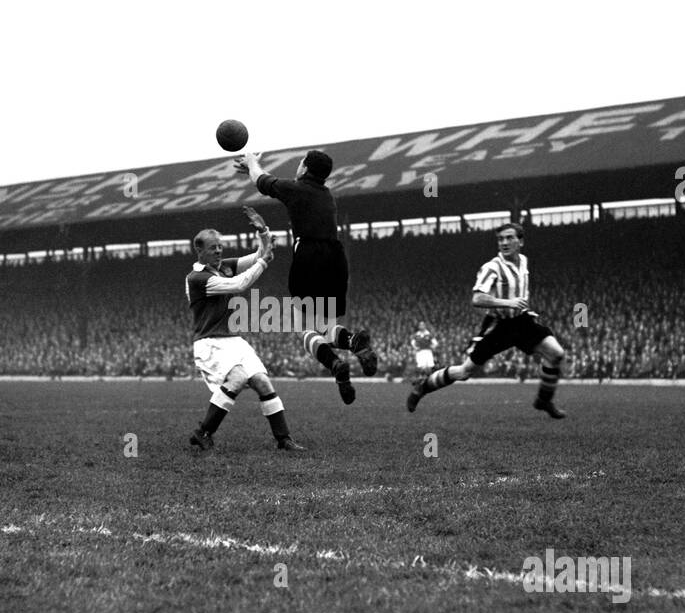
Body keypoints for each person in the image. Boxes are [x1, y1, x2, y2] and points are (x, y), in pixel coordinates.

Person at [235, 149, 376, 404]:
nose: (297, 168)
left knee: (303, 329)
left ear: (305, 168)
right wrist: (254, 170)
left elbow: (262, 182)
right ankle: (354, 342)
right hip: (336, 258)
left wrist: (252, 163)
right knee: (327, 327)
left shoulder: (298, 189)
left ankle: (336, 365)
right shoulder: (327, 195)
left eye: (300, 164)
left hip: (310, 256)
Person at [407, 222, 566, 417]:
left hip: (522, 321)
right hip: (498, 325)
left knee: (556, 354)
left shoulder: (523, 261)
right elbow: (477, 298)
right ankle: (423, 387)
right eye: (500, 239)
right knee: (465, 372)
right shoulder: (492, 268)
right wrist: (508, 302)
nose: (504, 243)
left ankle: (544, 400)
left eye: (509, 238)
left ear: (521, 241)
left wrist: (517, 305)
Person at [185, 219, 304, 451]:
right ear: (199, 251)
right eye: (213, 247)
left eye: (220, 246)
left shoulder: (223, 266)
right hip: (211, 342)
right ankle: (203, 432)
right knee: (238, 379)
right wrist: (262, 261)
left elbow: (259, 254)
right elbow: (239, 284)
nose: (219, 250)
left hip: (233, 340)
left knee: (262, 381)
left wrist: (263, 231)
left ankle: (284, 439)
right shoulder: (197, 279)